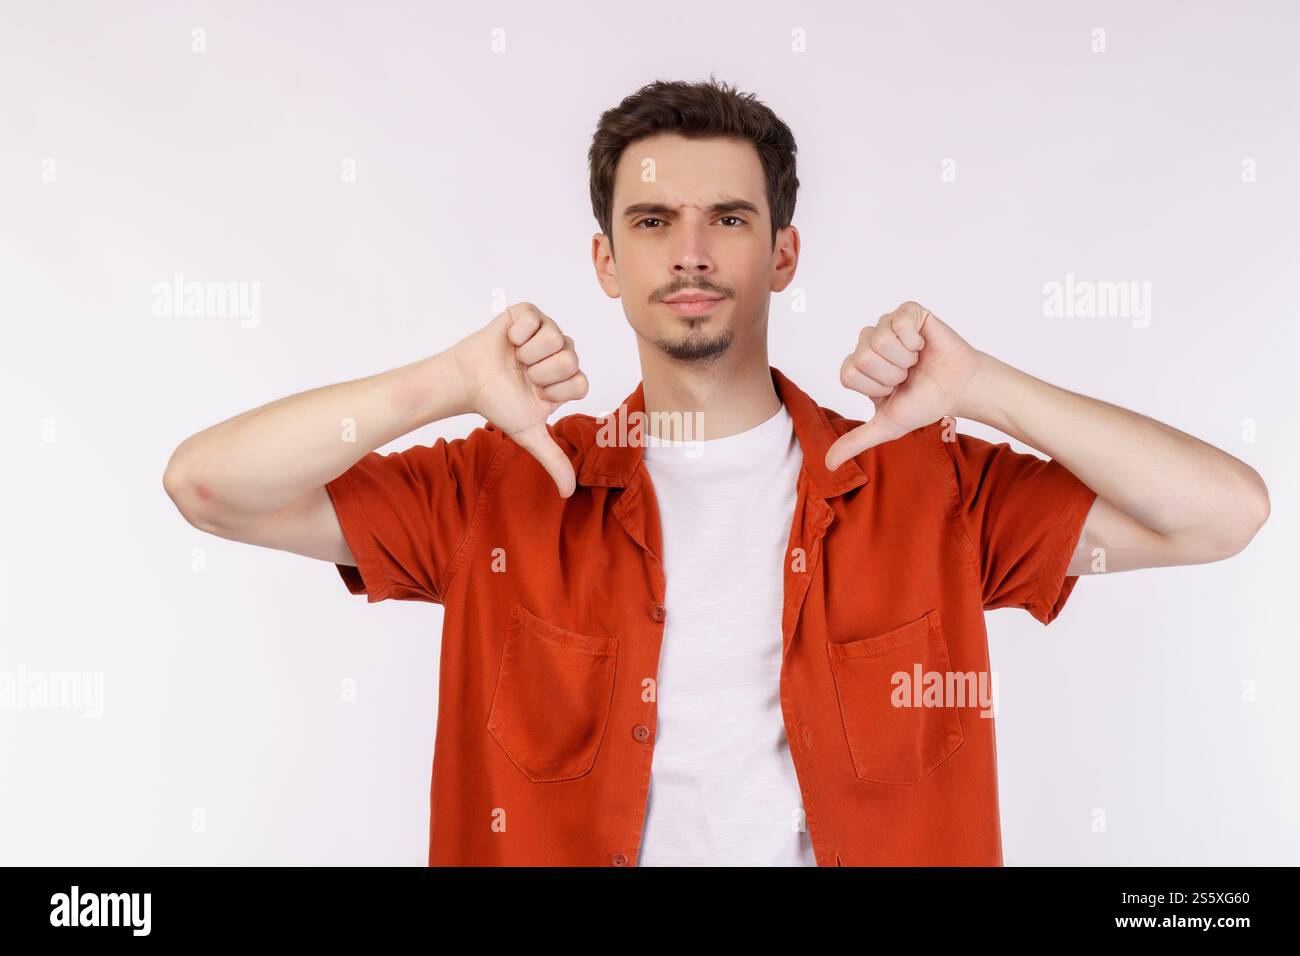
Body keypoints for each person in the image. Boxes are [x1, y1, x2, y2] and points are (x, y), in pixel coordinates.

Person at [162, 77, 1270, 867]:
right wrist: (443, 383)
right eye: (652, 220)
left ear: (781, 252)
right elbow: (209, 485)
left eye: (727, 219)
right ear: (607, 259)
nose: (689, 251)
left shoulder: (927, 488)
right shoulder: (500, 488)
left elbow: (1223, 513)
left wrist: (986, 388)